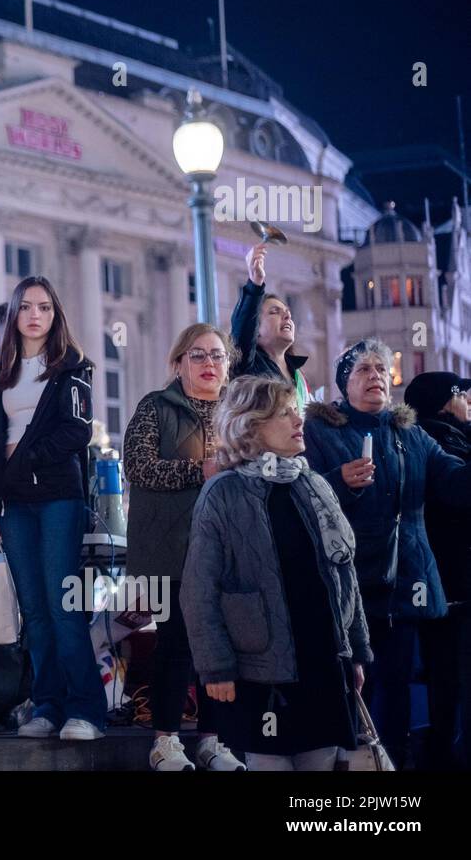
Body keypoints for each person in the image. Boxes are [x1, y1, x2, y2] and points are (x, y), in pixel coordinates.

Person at [184, 375, 372, 771]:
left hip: (322, 660)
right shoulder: (223, 493)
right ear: (251, 426)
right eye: (284, 413)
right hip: (261, 671)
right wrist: (215, 667)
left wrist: (355, 653)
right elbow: (200, 589)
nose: (297, 420)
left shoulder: (315, 484)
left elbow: (345, 574)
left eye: (296, 411)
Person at [303, 339, 471, 768]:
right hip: (344, 585)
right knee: (346, 689)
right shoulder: (319, 431)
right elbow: (299, 498)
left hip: (401, 582)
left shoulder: (411, 434)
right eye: (362, 369)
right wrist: (339, 481)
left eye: (380, 369)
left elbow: (454, 485)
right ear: (344, 384)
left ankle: (390, 769)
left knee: (394, 690)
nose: (375, 375)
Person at [0, 275, 104, 741]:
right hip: (13, 503)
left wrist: (25, 456)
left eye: (45, 307)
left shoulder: (74, 367)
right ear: (15, 314)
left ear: (56, 315)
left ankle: (87, 710)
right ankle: (48, 705)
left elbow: (78, 431)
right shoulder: (0, 373)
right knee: (32, 609)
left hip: (57, 497)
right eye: (27, 306)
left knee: (62, 603)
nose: (35, 315)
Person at [123, 323, 245, 770]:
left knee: (222, 646)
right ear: (178, 363)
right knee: (177, 643)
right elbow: (139, 467)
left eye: (217, 356)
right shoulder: (155, 408)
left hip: (228, 550)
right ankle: (166, 739)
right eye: (198, 355)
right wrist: (202, 470)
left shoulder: (238, 414)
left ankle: (215, 739)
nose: (209, 363)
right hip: (169, 548)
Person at [404, 371, 471, 768]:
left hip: (444, 583)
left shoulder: (454, 438)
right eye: (463, 394)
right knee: (450, 678)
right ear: (447, 401)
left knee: (446, 677)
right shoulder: (436, 440)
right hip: (451, 583)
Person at [231, 243, 310, 410]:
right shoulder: (248, 365)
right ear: (256, 330)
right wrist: (255, 283)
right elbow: (242, 330)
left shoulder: (299, 376)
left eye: (288, 312)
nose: (287, 316)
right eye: (275, 312)